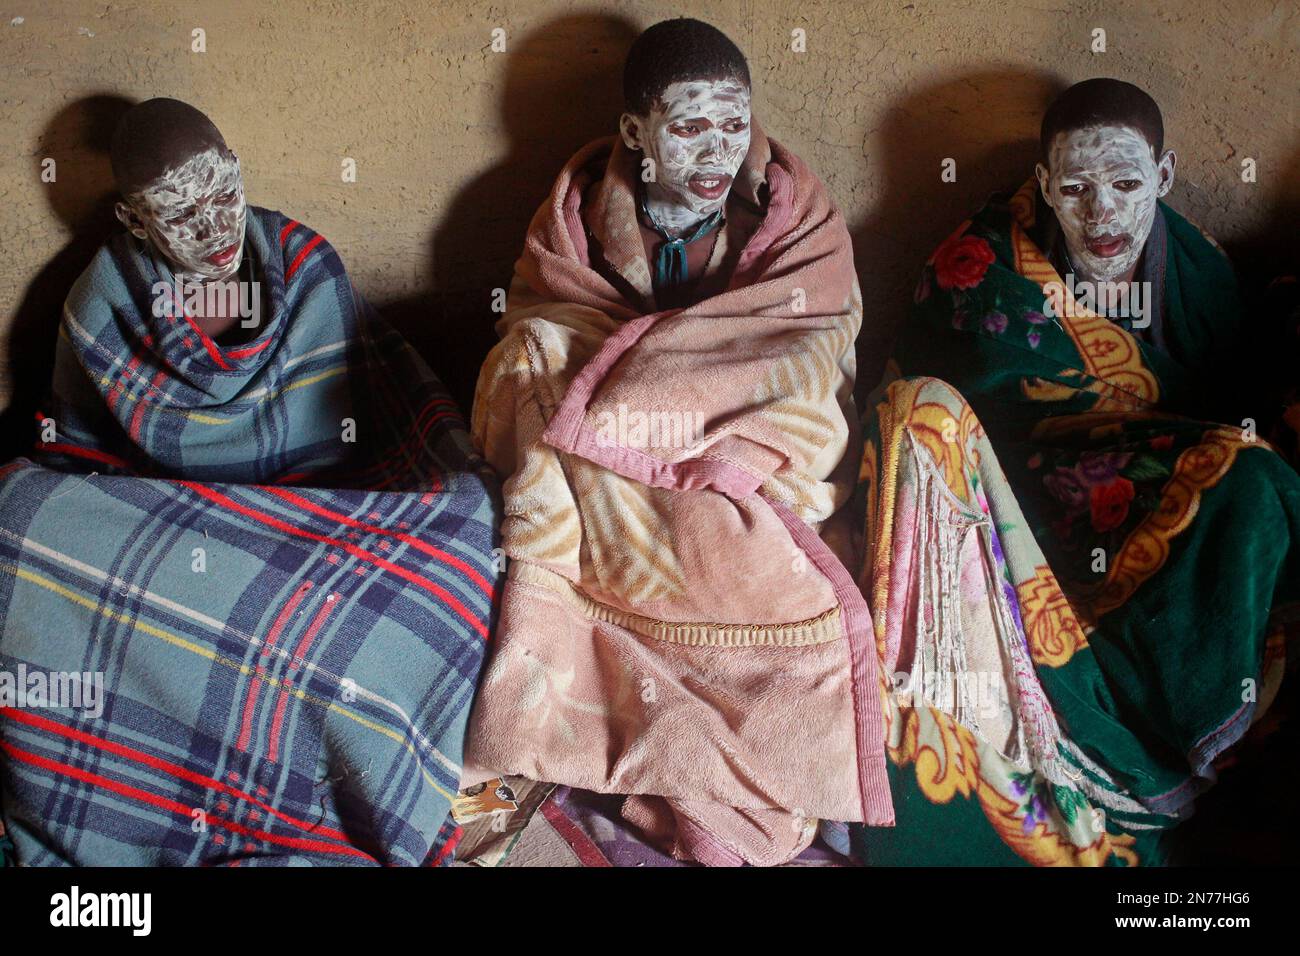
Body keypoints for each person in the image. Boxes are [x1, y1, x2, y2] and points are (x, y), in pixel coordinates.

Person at [0, 98, 500, 865]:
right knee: (16, 520)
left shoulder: (303, 266)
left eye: (223, 194)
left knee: (469, 528)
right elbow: (79, 469)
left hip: (322, 518)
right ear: (135, 222)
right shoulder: (99, 308)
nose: (214, 228)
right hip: (180, 537)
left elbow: (372, 418)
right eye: (180, 213)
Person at [463, 18, 894, 866]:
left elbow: (807, 360)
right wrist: (622, 399)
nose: (715, 154)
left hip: (750, 466)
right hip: (603, 478)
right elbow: (541, 332)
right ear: (636, 134)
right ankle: (608, 738)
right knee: (534, 362)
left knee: (767, 573)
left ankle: (727, 774)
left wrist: (683, 408)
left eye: (733, 126)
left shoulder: (796, 221)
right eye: (688, 127)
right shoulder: (574, 225)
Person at [853, 78, 1300, 865]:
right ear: (1042, 182)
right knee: (920, 416)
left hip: (1151, 492)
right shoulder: (977, 273)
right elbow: (923, 392)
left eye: (1127, 185)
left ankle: (1173, 745)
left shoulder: (1202, 278)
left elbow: (1236, 407)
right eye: (1076, 188)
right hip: (1012, 501)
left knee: (1256, 482)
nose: (1102, 215)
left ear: (1163, 178)